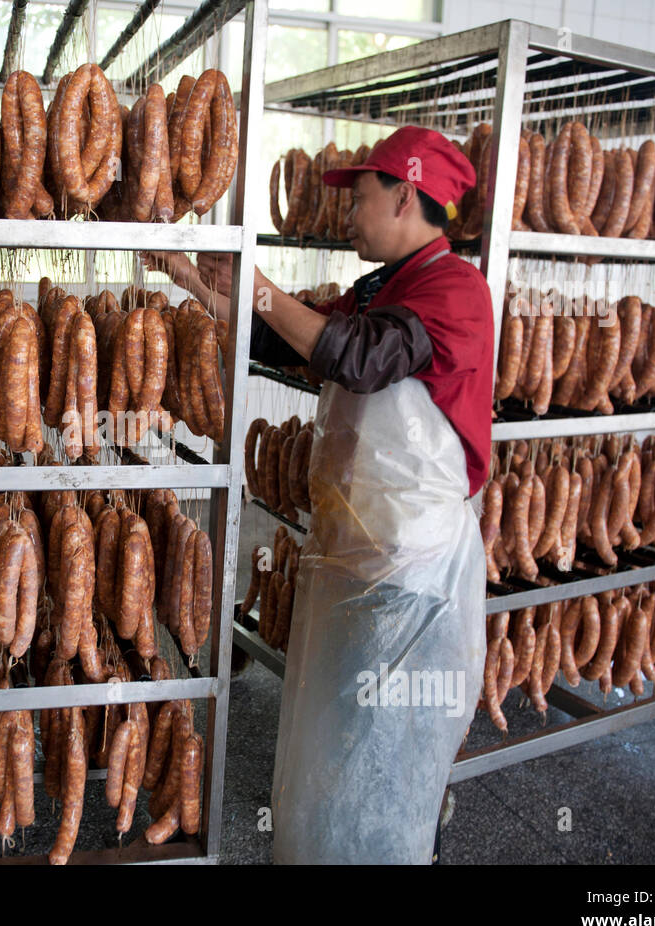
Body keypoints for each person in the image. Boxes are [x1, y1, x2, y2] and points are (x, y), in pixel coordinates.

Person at [142, 126, 494, 864]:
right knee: (333, 737)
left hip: (411, 570)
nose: (348, 216)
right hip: (352, 555)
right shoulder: (383, 287)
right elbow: (285, 340)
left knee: (382, 747)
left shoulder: (452, 290)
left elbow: (357, 357)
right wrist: (195, 281)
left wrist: (258, 281)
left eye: (360, 198)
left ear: (406, 195)